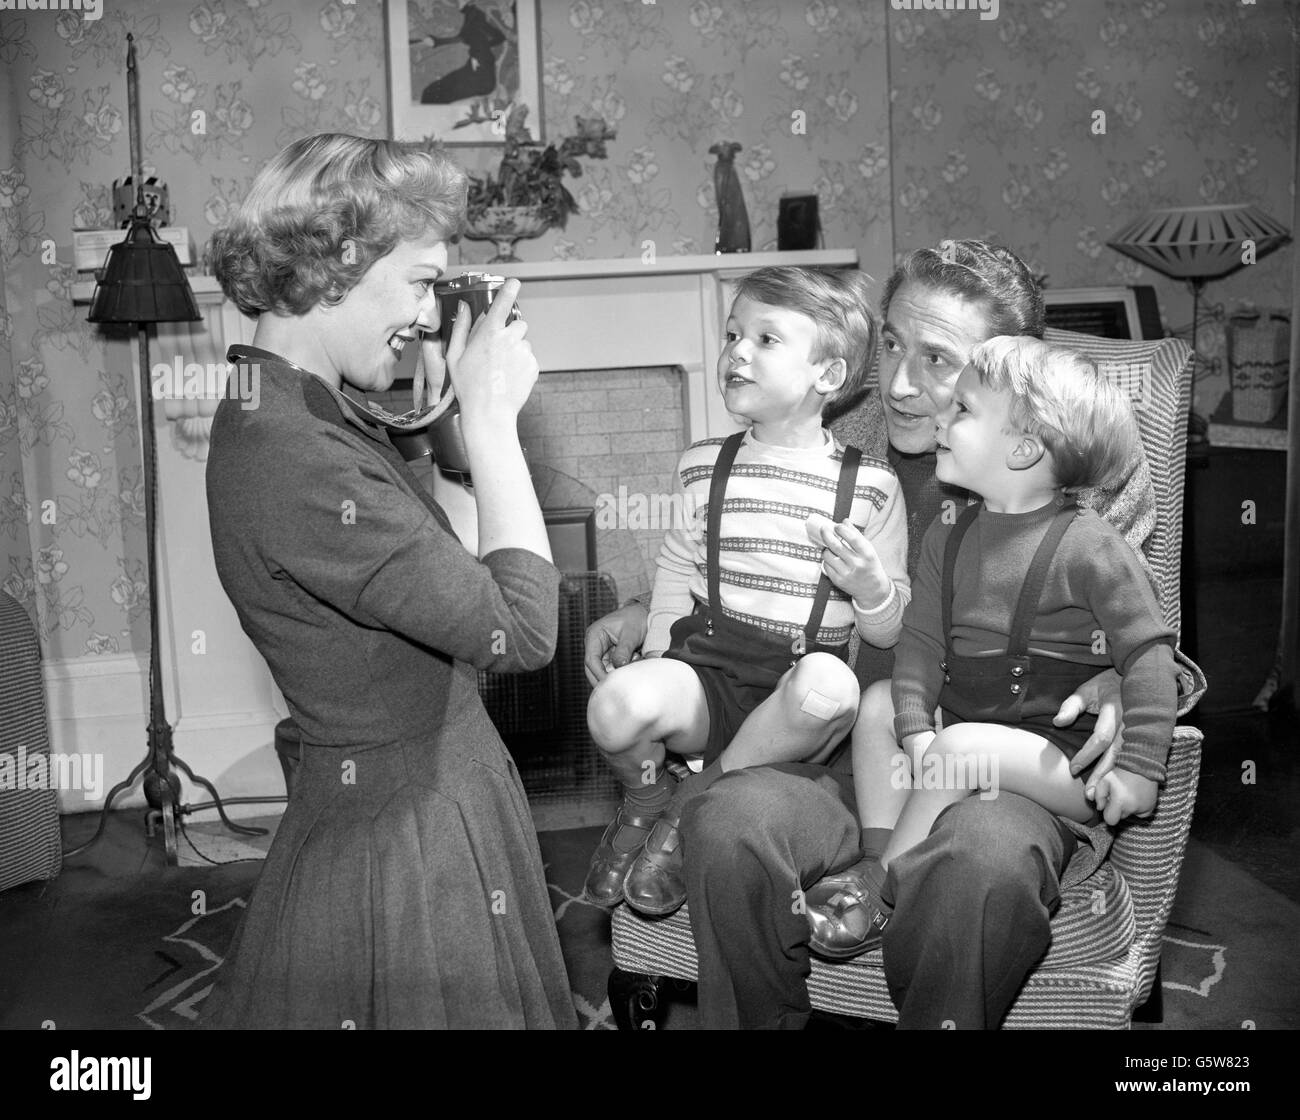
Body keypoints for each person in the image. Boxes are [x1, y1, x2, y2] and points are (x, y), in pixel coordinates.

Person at [584, 240, 1206, 1029]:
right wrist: (650, 608)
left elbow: (1149, 638)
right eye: (893, 345)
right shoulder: (856, 433)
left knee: (978, 862)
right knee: (731, 823)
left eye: (940, 361)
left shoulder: (1081, 472)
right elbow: (751, 544)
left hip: (996, 773)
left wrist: (1120, 679)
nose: (903, 384)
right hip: (847, 755)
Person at [203, 133, 576, 1029]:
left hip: (425, 787)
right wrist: (490, 427)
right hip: (406, 830)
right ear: (336, 264)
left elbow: (438, 565)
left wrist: (442, 419)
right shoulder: (296, 453)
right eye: (419, 281)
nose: (428, 311)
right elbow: (520, 632)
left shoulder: (291, 403)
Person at [805, 335, 1177, 959]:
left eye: (965, 411)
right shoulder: (948, 536)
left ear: (1025, 447)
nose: (943, 417)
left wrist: (1140, 765)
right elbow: (920, 643)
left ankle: (883, 891)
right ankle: (879, 851)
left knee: (962, 745)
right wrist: (916, 725)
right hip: (969, 727)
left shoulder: (1094, 547)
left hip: (1061, 764)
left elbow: (1149, 652)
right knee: (877, 705)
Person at [583, 267, 910, 916]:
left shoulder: (871, 488)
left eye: (766, 338)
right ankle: (649, 796)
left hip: (797, 705)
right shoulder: (703, 465)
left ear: (829, 376)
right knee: (614, 707)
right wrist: (656, 659)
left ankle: (692, 802)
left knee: (830, 682)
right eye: (733, 335)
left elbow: (888, 631)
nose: (736, 351)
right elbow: (677, 563)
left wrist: (871, 588)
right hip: (707, 674)